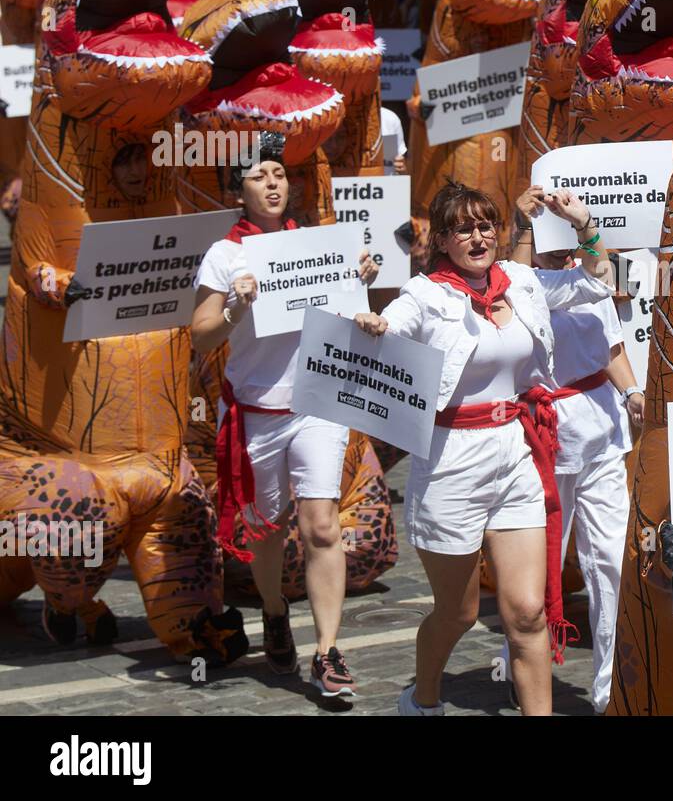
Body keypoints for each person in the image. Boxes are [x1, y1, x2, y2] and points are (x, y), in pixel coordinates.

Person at [354, 182, 616, 716]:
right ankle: (423, 697)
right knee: (459, 612)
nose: (477, 237)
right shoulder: (425, 296)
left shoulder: (521, 281)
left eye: (485, 225)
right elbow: (392, 328)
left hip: (517, 452)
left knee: (526, 613)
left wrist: (584, 225)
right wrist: (374, 322)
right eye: (462, 229)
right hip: (452, 461)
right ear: (444, 241)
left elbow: (598, 279)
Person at [190, 131, 380, 697]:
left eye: (278, 173)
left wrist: (362, 289)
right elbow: (201, 337)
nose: (273, 184)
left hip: (316, 404)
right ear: (239, 190)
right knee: (266, 530)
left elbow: (345, 315)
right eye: (259, 176)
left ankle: (327, 652)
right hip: (256, 412)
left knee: (321, 524)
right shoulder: (225, 255)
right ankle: (275, 609)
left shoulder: (316, 244)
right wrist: (233, 306)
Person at [500, 185, 643, 713]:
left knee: (610, 558)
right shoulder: (517, 286)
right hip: (542, 435)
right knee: (538, 562)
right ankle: (522, 664)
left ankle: (609, 686)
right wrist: (522, 225)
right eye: (550, 250)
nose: (562, 259)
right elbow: (515, 285)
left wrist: (632, 392)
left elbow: (611, 346)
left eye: (568, 251)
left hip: (600, 429)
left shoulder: (588, 282)